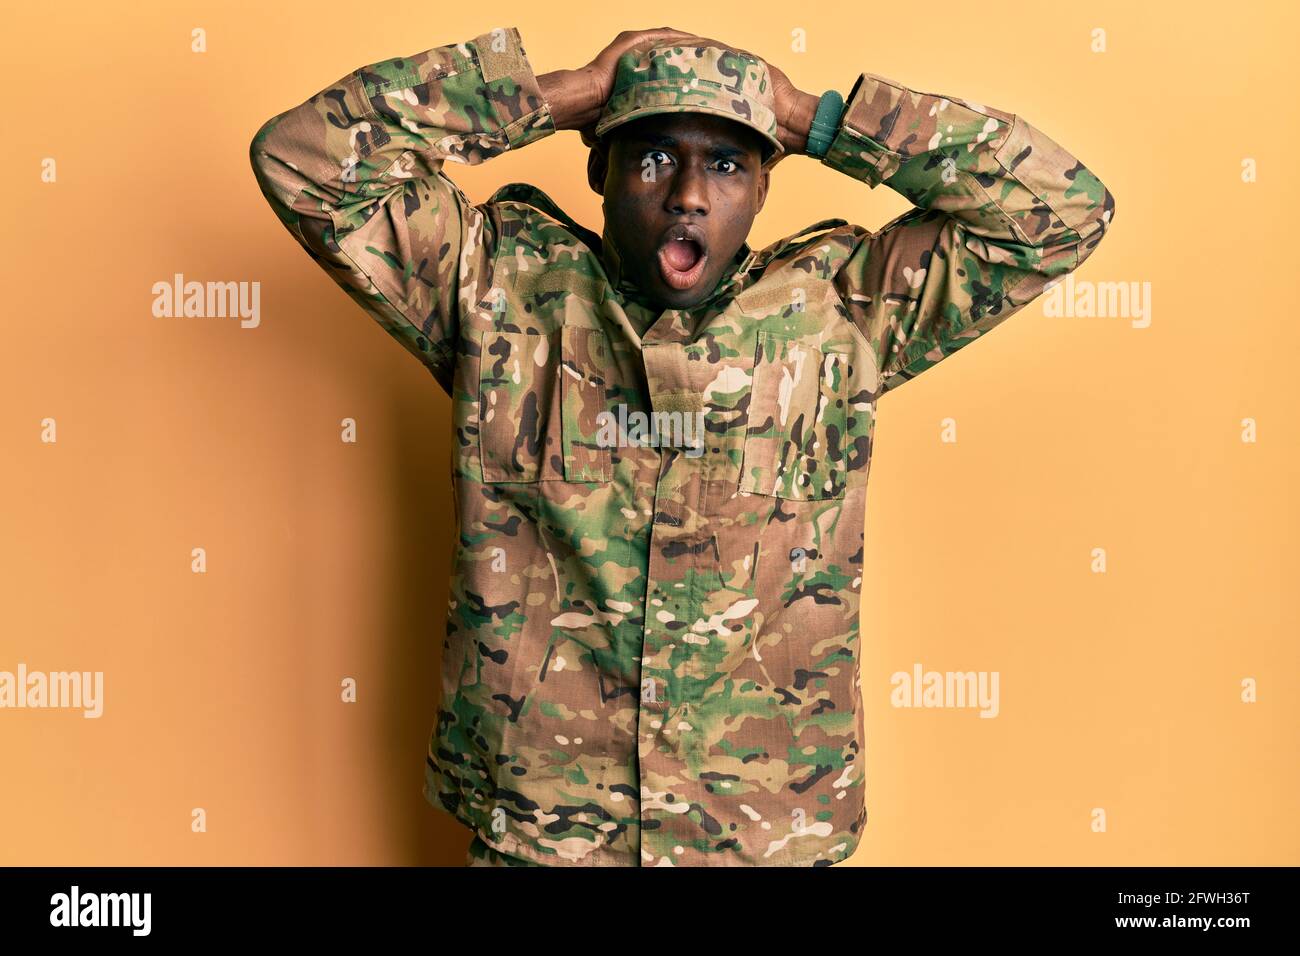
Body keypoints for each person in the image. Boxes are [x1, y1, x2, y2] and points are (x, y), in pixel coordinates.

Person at [250, 26, 1115, 867]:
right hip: (543, 833)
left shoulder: (838, 313)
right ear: (601, 169)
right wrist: (558, 95)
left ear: (766, 186)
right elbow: (307, 161)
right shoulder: (494, 289)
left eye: (729, 163)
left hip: (764, 838)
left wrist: (820, 120)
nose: (690, 194)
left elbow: (1062, 213)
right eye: (655, 157)